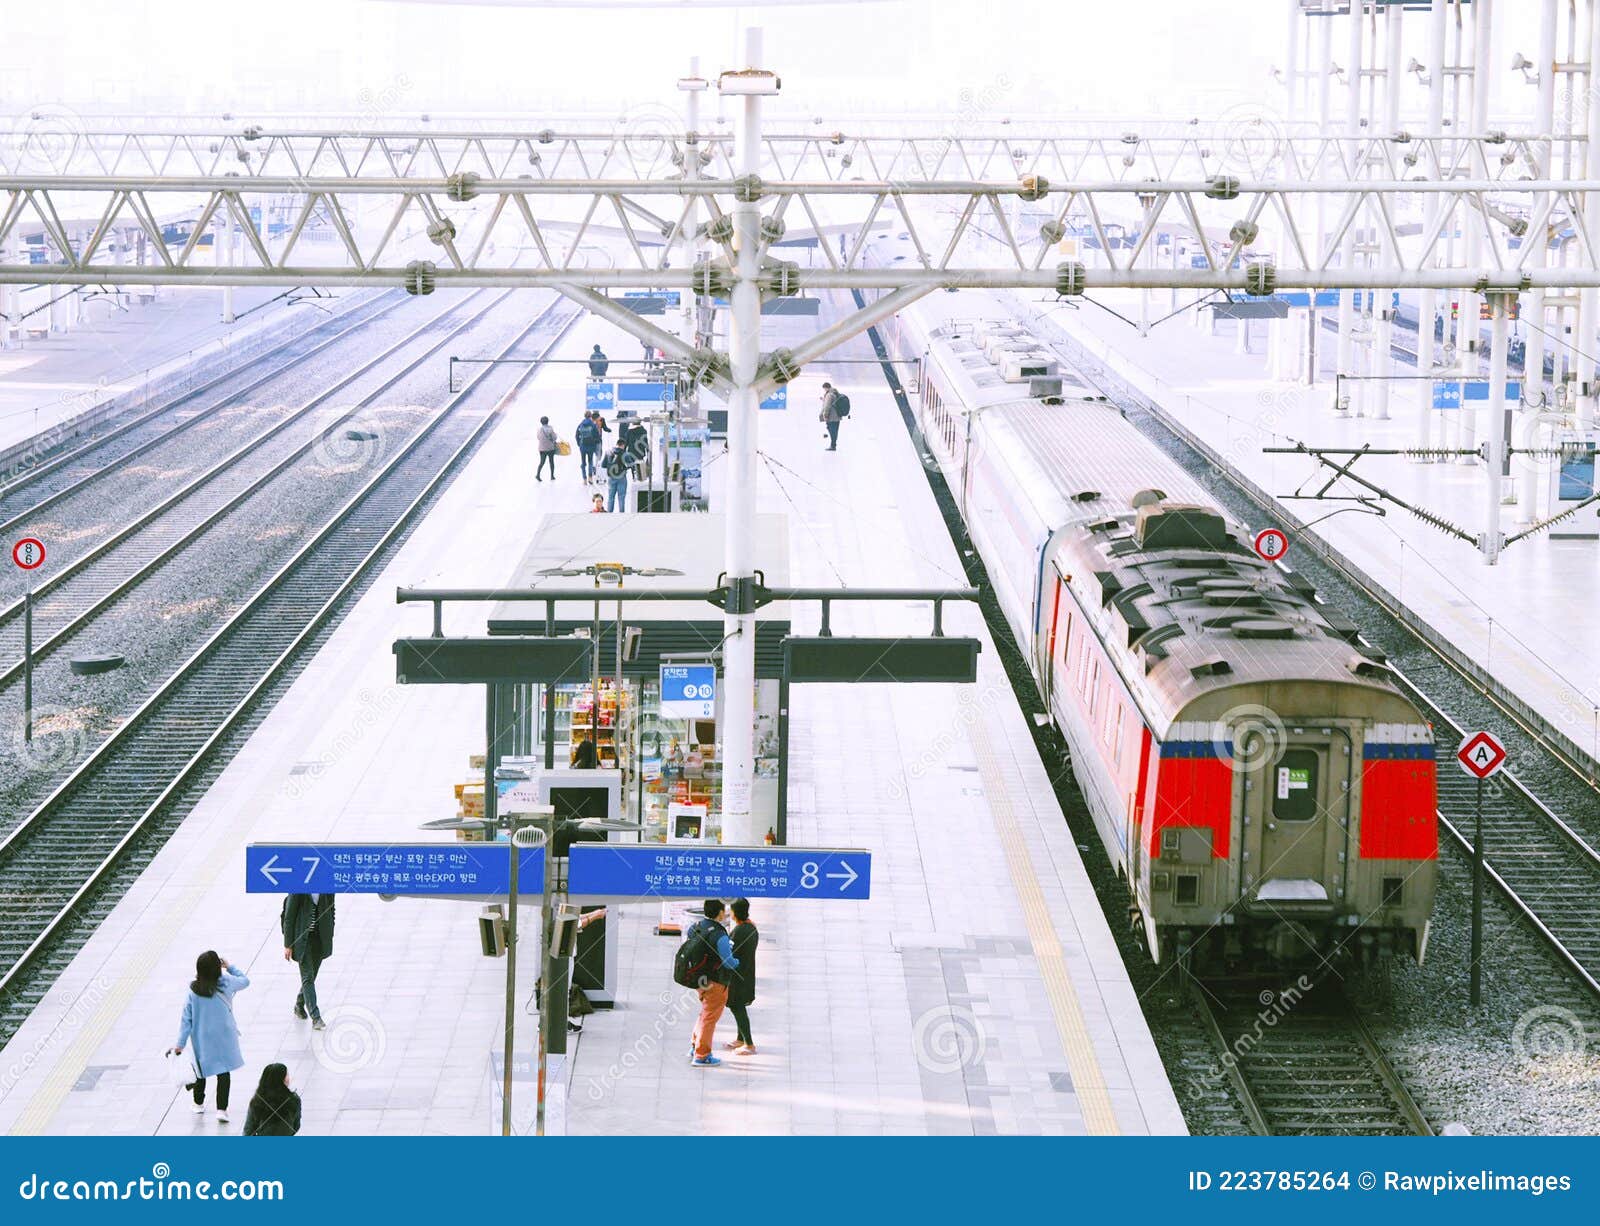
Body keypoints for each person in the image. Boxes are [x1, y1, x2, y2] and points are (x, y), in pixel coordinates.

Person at [170, 951, 249, 1123]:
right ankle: (221, 1110)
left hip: (202, 1038)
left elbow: (186, 1020)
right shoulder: (226, 983)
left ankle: (198, 1103)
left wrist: (180, 1044)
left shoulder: (193, 991)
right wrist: (230, 967)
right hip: (224, 1035)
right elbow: (245, 981)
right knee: (223, 1071)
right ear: (217, 967)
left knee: (201, 1070)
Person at [687, 899, 739, 1067]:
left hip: (699, 979)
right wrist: (737, 962)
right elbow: (728, 962)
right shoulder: (720, 935)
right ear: (720, 913)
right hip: (715, 981)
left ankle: (695, 1046)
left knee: (705, 1013)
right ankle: (702, 1055)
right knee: (710, 1017)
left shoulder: (695, 927)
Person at [281, 892, 335, 1032]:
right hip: (302, 940)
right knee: (307, 977)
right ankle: (316, 1017)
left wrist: (330, 933)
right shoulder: (298, 887)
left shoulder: (327, 886)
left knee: (312, 976)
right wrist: (288, 945)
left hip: (320, 939)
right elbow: (289, 917)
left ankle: (299, 1004)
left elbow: (331, 909)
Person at [725, 897, 759, 1055]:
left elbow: (729, 953)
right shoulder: (751, 928)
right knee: (739, 1005)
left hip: (738, 976)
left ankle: (749, 1044)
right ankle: (740, 1039)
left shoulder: (739, 932)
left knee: (737, 1006)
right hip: (747, 973)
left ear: (735, 912)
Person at [242, 1063, 302, 1137]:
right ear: (281, 1079)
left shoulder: (257, 1101)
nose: (288, 1078)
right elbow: (296, 1126)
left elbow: (248, 1130)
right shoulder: (294, 1099)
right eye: (287, 1075)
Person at [603, 438, 630, 513]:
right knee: (621, 498)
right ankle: (621, 514)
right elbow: (630, 465)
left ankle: (609, 513)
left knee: (611, 497)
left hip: (611, 478)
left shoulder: (608, 452)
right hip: (622, 478)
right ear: (623, 445)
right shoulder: (625, 454)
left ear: (617, 444)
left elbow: (603, 465)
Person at [575, 411, 602, 482]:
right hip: (591, 446)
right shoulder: (593, 425)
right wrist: (596, 442)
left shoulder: (581, 424)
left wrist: (579, 444)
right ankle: (590, 477)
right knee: (590, 461)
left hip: (582, 446)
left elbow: (576, 435)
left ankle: (584, 479)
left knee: (583, 463)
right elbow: (597, 435)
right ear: (590, 416)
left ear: (584, 416)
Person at [820, 383, 844, 451]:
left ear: (826, 387)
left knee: (832, 430)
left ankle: (833, 446)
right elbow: (833, 402)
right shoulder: (835, 393)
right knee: (835, 431)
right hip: (838, 416)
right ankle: (833, 445)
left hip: (831, 417)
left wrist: (825, 415)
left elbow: (827, 406)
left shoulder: (829, 394)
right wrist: (824, 399)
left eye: (824, 388)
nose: (824, 390)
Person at [536, 416, 559, 481]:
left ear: (541, 422)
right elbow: (554, 437)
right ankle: (552, 476)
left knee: (542, 462)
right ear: (548, 421)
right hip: (550, 448)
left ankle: (538, 475)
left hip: (542, 449)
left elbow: (538, 437)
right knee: (551, 462)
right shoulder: (550, 429)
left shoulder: (539, 430)